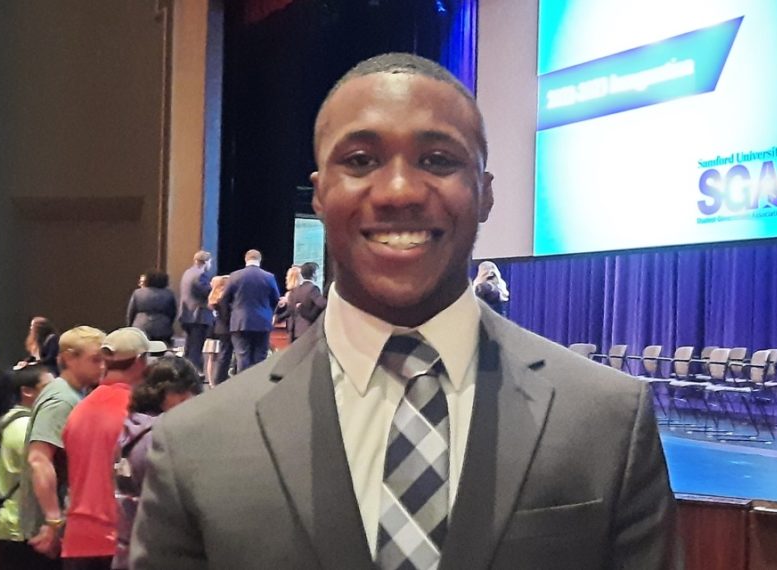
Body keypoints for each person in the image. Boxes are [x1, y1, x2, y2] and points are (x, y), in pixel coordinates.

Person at [131, 53, 675, 569]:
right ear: (319, 195)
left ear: (485, 194)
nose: (398, 191)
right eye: (361, 160)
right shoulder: (194, 446)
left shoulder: (608, 421)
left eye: (438, 160)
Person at [61, 328, 164, 569]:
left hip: (76, 541)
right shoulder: (138, 416)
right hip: (119, 542)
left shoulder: (79, 410)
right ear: (141, 361)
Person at [19, 326, 107, 561]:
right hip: (48, 533)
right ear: (69, 358)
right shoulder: (61, 400)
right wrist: (53, 521)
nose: (102, 366)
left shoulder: (72, 394)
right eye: (95, 360)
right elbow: (39, 460)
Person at [112, 356, 201, 570]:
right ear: (172, 393)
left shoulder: (132, 427)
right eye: (186, 393)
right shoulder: (162, 436)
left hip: (128, 546)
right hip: (156, 551)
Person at [0, 364, 57, 570]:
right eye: (49, 388)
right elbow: (42, 468)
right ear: (27, 391)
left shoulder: (10, 419)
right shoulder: (26, 428)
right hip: (18, 526)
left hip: (5, 522)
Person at [222, 249, 280, 373]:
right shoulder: (269, 277)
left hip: (239, 322)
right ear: (259, 260)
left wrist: (228, 317)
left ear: (246, 259)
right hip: (263, 322)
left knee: (242, 357)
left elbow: (224, 300)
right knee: (260, 358)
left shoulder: (234, 276)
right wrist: (270, 314)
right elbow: (276, 299)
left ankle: (243, 387)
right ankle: (257, 388)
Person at [178, 251, 214, 369]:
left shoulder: (187, 273)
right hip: (198, 317)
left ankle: (185, 372)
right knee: (196, 350)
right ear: (206, 262)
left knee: (189, 348)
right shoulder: (201, 275)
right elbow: (207, 292)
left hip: (187, 315)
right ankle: (194, 375)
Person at [274, 262, 326, 343]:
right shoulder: (312, 289)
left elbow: (290, 311)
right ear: (314, 274)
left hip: (293, 332)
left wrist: (278, 318)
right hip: (307, 332)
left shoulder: (294, 291)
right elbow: (323, 304)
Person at [126, 270, 177, 345]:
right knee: (160, 350)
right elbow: (172, 312)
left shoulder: (138, 293)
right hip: (162, 327)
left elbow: (131, 311)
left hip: (141, 325)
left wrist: (129, 325)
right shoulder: (168, 294)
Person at [207, 275, 233, 384]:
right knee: (224, 356)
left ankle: (216, 380)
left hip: (218, 329)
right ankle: (220, 379)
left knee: (219, 356)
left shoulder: (214, 298)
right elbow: (227, 315)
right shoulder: (224, 298)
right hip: (226, 329)